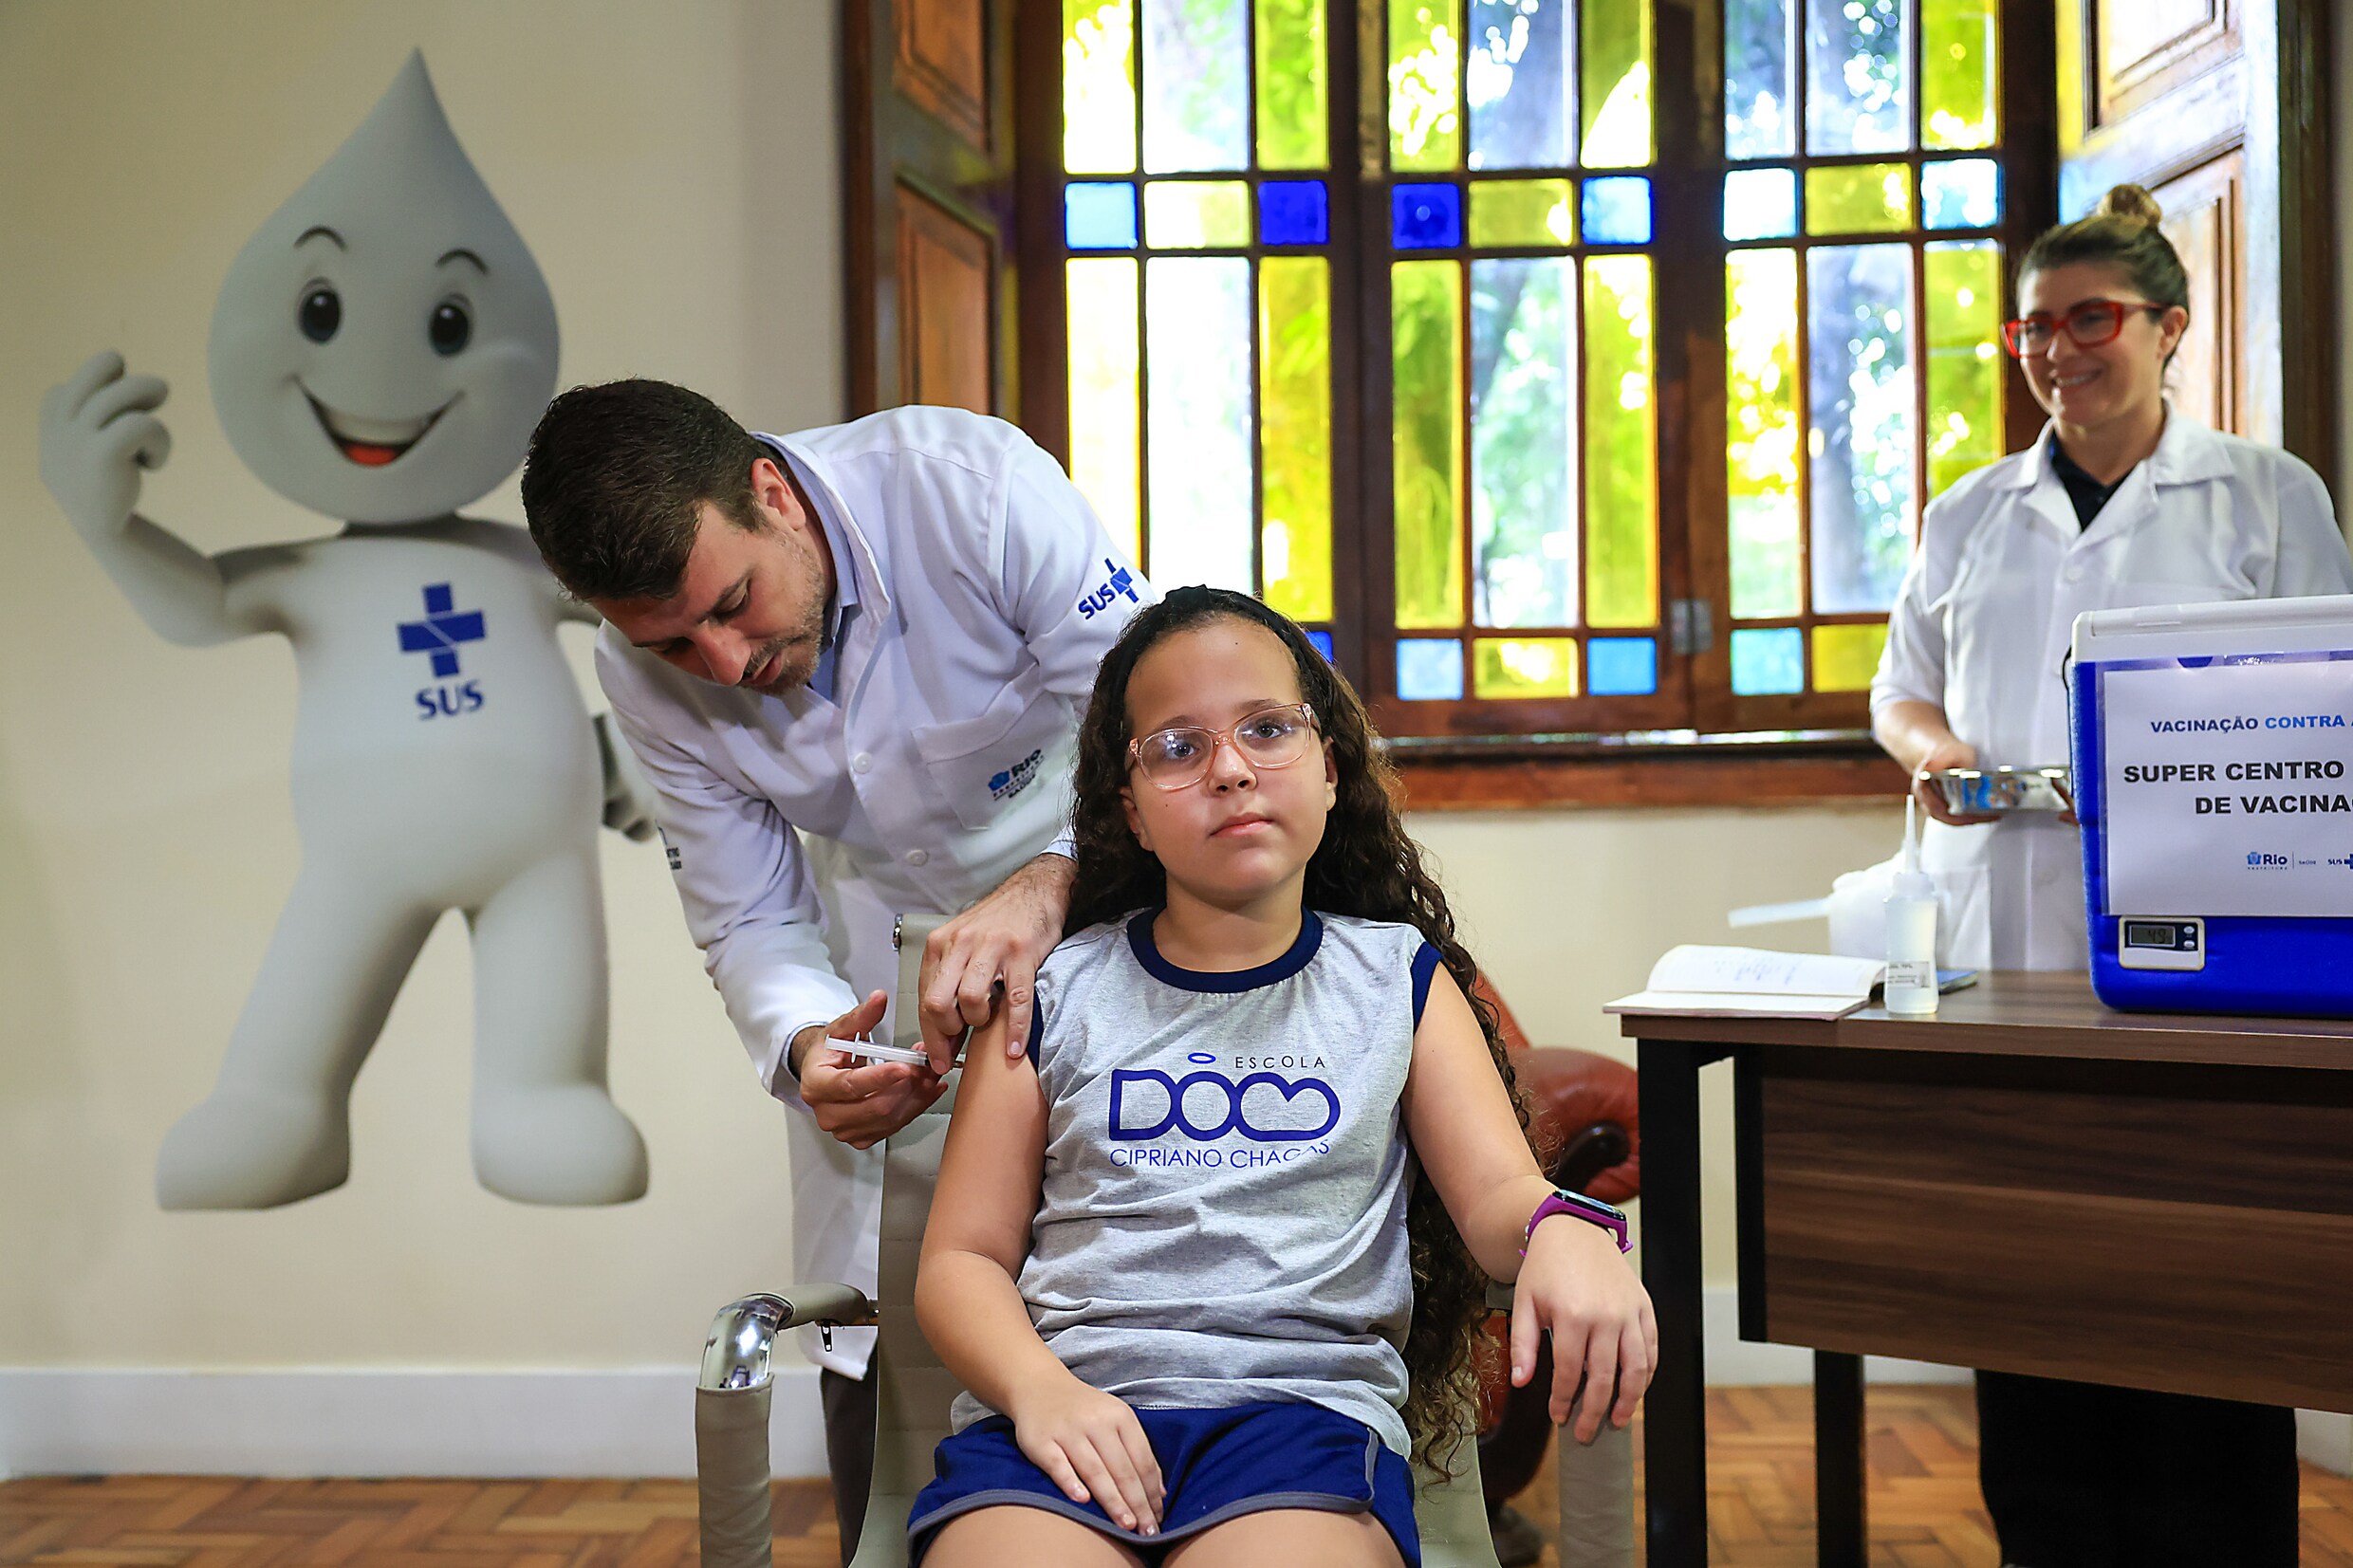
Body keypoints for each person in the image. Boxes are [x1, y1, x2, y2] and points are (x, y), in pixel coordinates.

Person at [519, 380, 1154, 1562]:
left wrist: (1059, 873)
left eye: (731, 603)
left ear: (770, 492)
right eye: (670, 642)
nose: (720, 660)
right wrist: (812, 1047)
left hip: (1122, 907)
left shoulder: (964, 489)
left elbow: (1159, 717)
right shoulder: (638, 670)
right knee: (883, 1326)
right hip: (891, 957)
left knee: (1127, 1282)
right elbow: (747, 914)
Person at [909, 587, 1657, 1567]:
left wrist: (1567, 1230)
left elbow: (1496, 1196)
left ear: (1331, 767)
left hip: (1298, 1426)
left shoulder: (1397, 979)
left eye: (1266, 729)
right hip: (1056, 1419)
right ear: (1127, 811)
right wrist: (1041, 1394)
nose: (1228, 769)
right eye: (1176, 748)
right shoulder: (1053, 989)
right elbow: (959, 1260)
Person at [1871, 184, 2353, 1568]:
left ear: (2170, 328)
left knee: (2206, 1287)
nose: (2058, 349)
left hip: (2218, 954)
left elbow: (2328, 692)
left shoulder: (2266, 494)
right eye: (2033, 325)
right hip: (1999, 943)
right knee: (2025, 1287)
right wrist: (1941, 751)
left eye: (2093, 318)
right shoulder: (1969, 512)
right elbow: (1897, 692)